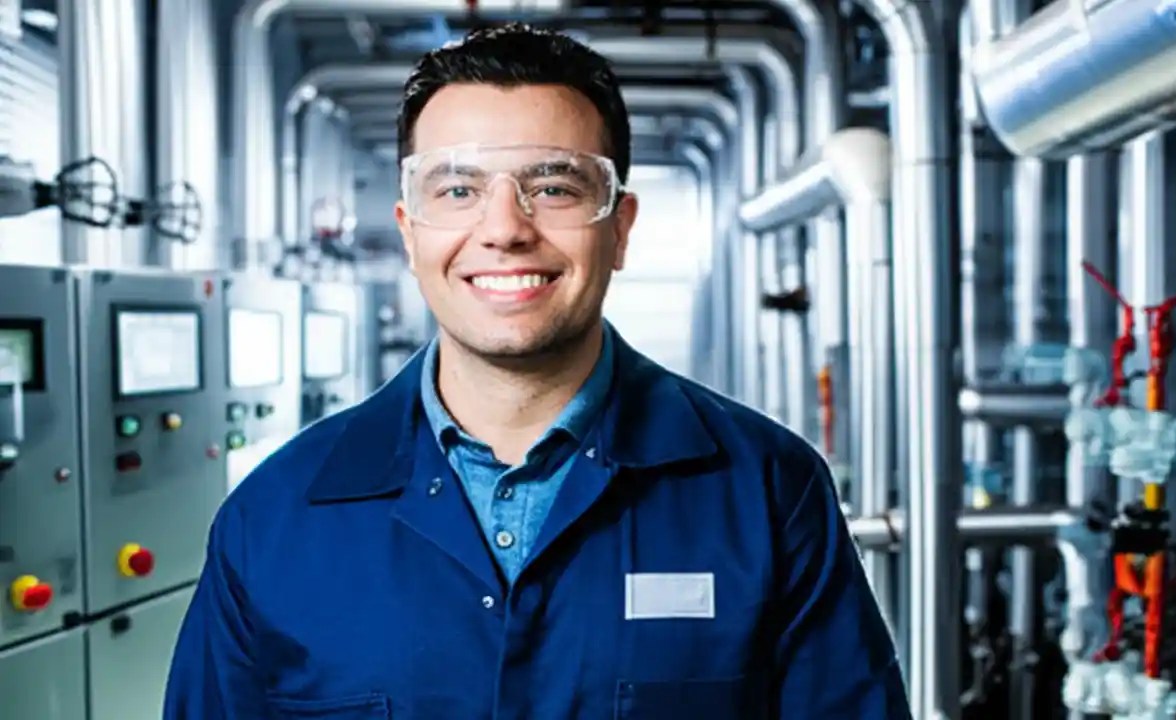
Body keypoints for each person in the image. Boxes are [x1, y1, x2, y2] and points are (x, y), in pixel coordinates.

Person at [164, 23, 909, 719]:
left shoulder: (767, 488)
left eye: (553, 187)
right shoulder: (276, 516)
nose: (504, 229)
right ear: (409, 232)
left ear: (619, 230)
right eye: (457, 191)